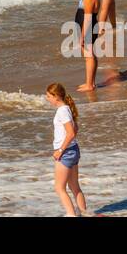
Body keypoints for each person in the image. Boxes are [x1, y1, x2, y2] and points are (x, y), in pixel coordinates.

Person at [46, 83, 88, 217]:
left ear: (56, 96)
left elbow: (71, 133)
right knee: (74, 186)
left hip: (66, 152)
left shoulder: (62, 111)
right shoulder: (67, 109)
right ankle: (83, 214)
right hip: (73, 150)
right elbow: (75, 129)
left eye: (48, 96)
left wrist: (60, 150)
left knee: (59, 188)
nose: (47, 99)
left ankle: (71, 214)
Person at [73, 0, 100, 92]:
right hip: (87, 26)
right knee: (90, 55)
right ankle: (90, 83)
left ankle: (90, 85)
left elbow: (88, 18)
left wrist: (82, 36)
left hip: (88, 27)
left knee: (89, 56)